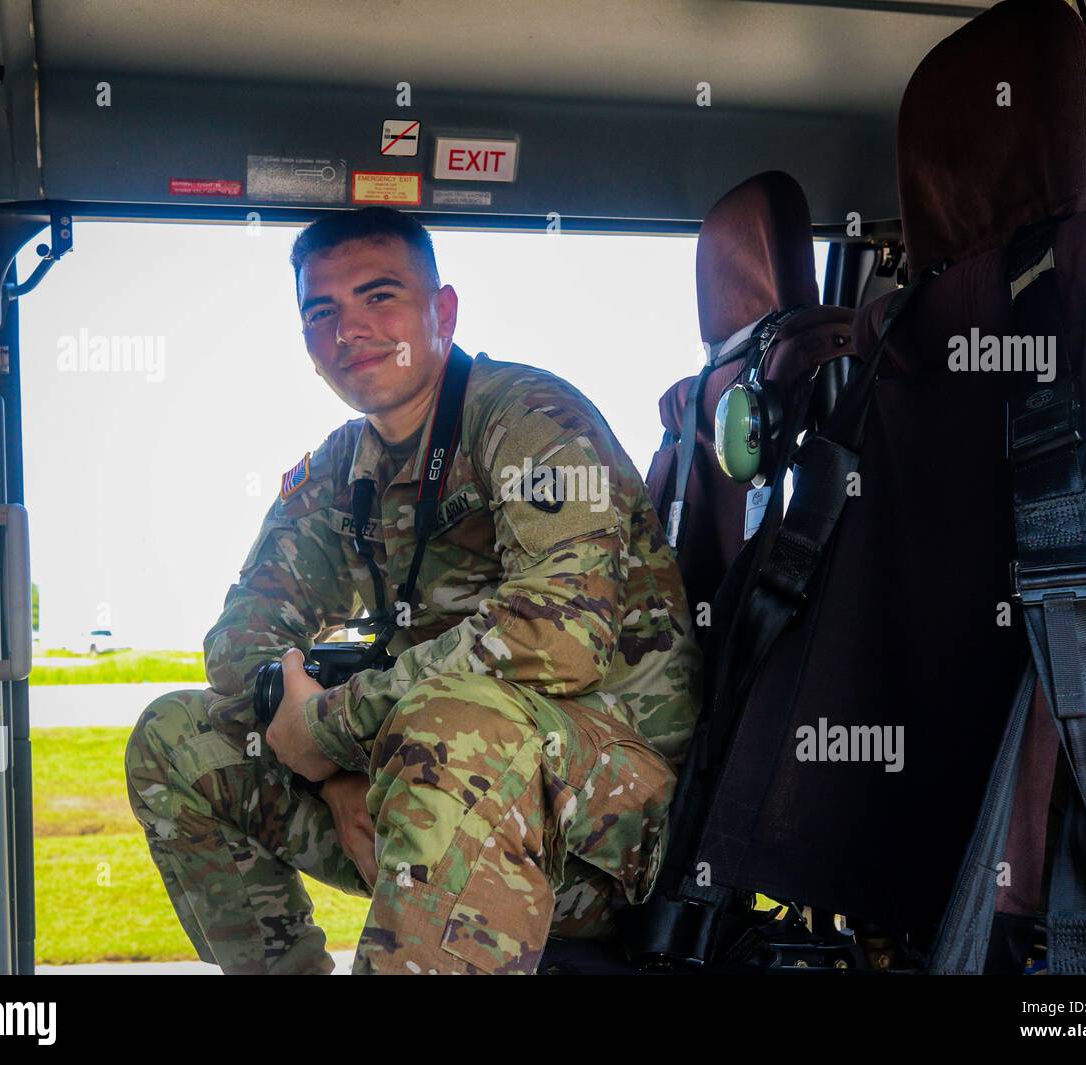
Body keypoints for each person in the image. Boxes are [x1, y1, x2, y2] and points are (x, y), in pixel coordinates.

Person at [125, 206, 702, 974]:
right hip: (421, 780)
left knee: (447, 723)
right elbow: (240, 644)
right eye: (321, 311)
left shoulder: (530, 418)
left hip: (608, 827)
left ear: (445, 311)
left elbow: (556, 638)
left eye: (379, 296)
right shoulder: (341, 471)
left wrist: (328, 725)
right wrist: (327, 771)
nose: (348, 329)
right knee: (175, 736)